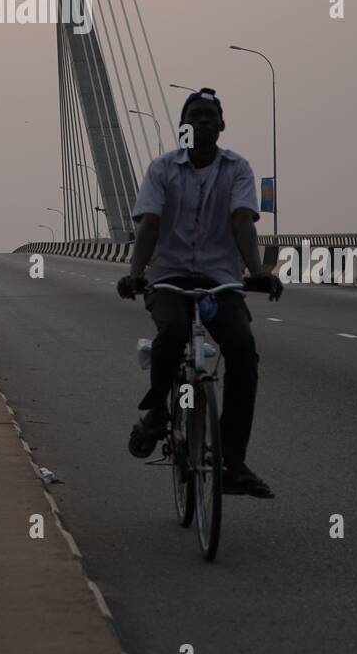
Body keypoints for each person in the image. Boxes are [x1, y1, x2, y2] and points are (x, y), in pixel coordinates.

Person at [117, 88, 282, 498]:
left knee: (242, 348)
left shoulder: (237, 169)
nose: (204, 121)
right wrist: (135, 274)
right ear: (183, 126)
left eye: (211, 116)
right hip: (170, 277)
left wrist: (258, 271)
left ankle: (233, 461)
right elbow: (150, 225)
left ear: (222, 125)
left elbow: (243, 220)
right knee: (172, 332)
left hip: (218, 280)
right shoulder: (162, 169)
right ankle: (157, 412)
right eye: (196, 115)